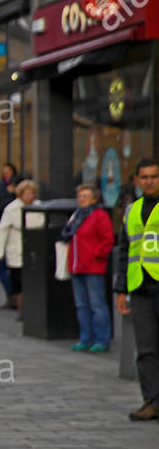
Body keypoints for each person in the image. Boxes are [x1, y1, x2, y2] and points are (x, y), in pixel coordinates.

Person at [114, 158, 159, 421]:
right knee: (145, 350)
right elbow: (125, 252)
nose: (149, 181)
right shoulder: (131, 211)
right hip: (140, 288)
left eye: (154, 176)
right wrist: (121, 290)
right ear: (136, 180)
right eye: (144, 177)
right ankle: (152, 401)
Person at [63, 183, 114, 353]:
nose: (81, 199)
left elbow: (107, 240)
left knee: (97, 305)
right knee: (81, 304)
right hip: (77, 266)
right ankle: (85, 338)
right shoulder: (76, 215)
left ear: (94, 198)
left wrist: (94, 254)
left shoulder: (99, 215)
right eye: (79, 196)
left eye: (85, 196)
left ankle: (101, 339)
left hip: (93, 267)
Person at [0, 179, 38, 317]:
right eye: (26, 193)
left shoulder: (39, 207)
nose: (29, 196)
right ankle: (21, 310)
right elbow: (2, 231)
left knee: (32, 281)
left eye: (31, 193)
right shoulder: (12, 209)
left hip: (35, 252)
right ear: (20, 194)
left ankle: (31, 309)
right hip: (16, 251)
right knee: (18, 281)